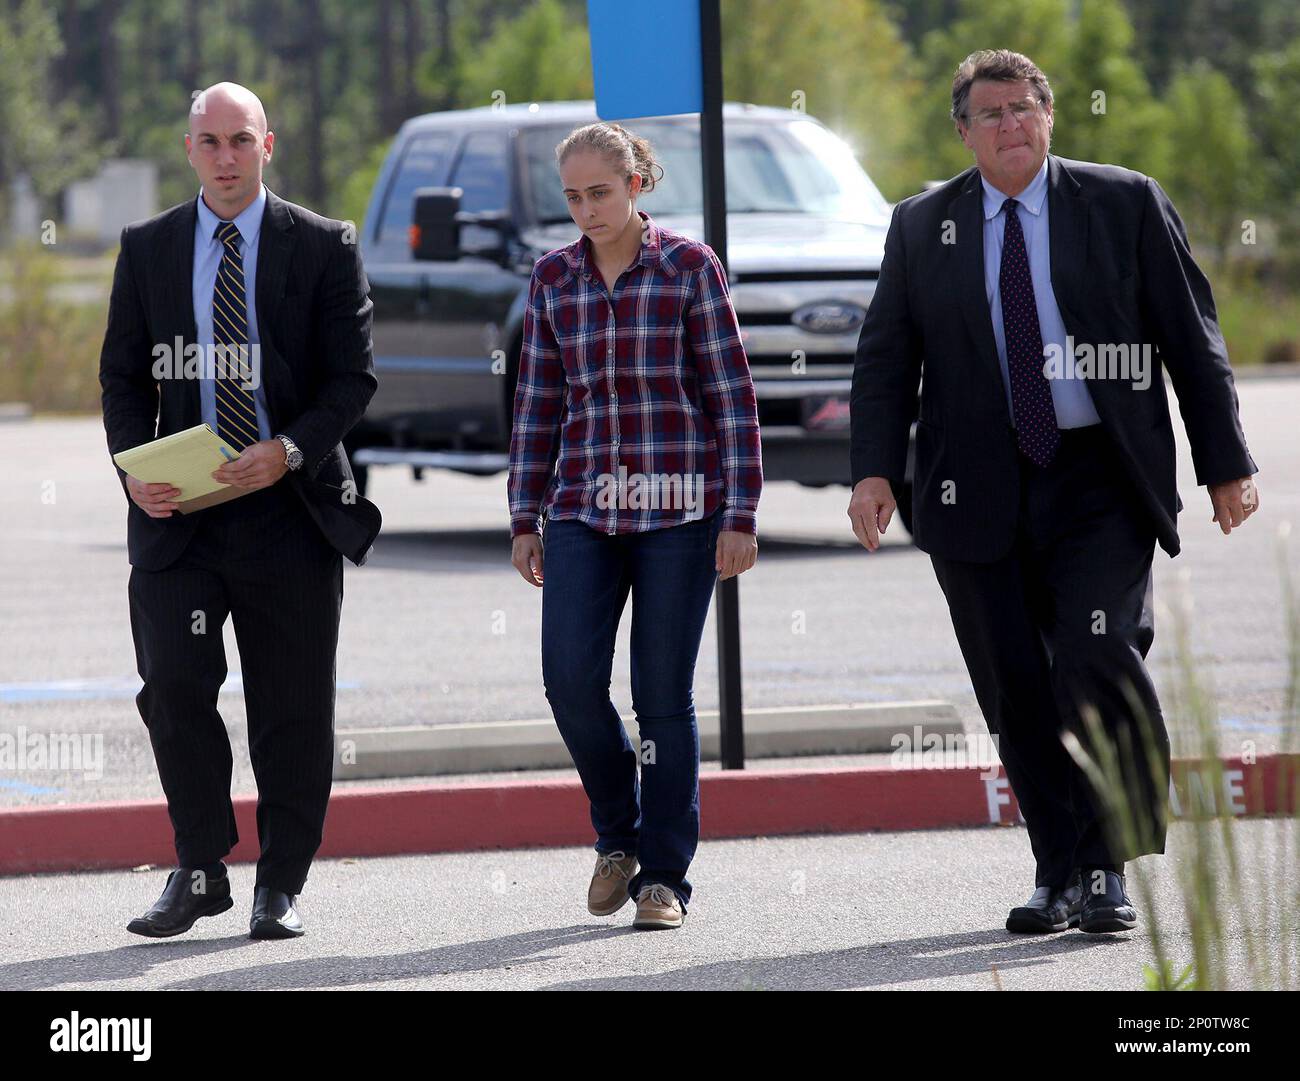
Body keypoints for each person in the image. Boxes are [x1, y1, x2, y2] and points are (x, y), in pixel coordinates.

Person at [848, 50, 1258, 935]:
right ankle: (1056, 867)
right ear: (962, 132)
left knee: (1094, 654)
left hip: (1098, 479)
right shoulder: (923, 226)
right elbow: (886, 358)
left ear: (1050, 116)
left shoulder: (1122, 203)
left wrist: (1225, 460)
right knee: (1015, 683)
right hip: (972, 487)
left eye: (1023, 108)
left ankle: (1109, 863)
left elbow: (1193, 340)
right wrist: (874, 470)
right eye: (989, 113)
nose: (1009, 125)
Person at [100, 81, 381, 940]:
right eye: (210, 142)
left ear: (269, 145)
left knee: (293, 702)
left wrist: (288, 449)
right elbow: (122, 377)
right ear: (188, 150)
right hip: (181, 514)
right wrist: (130, 468)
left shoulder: (325, 245)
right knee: (175, 690)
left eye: (241, 141)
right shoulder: (147, 248)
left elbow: (352, 379)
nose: (226, 158)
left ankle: (280, 884)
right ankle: (199, 867)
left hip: (289, 509)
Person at [507, 121, 763, 930]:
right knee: (570, 681)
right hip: (581, 506)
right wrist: (524, 514)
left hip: (680, 513)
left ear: (637, 185)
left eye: (601, 193)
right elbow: (537, 403)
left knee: (662, 696)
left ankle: (664, 877)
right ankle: (616, 835)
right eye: (574, 196)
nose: (587, 209)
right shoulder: (553, 278)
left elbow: (731, 395)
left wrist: (740, 512)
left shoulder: (689, 267)